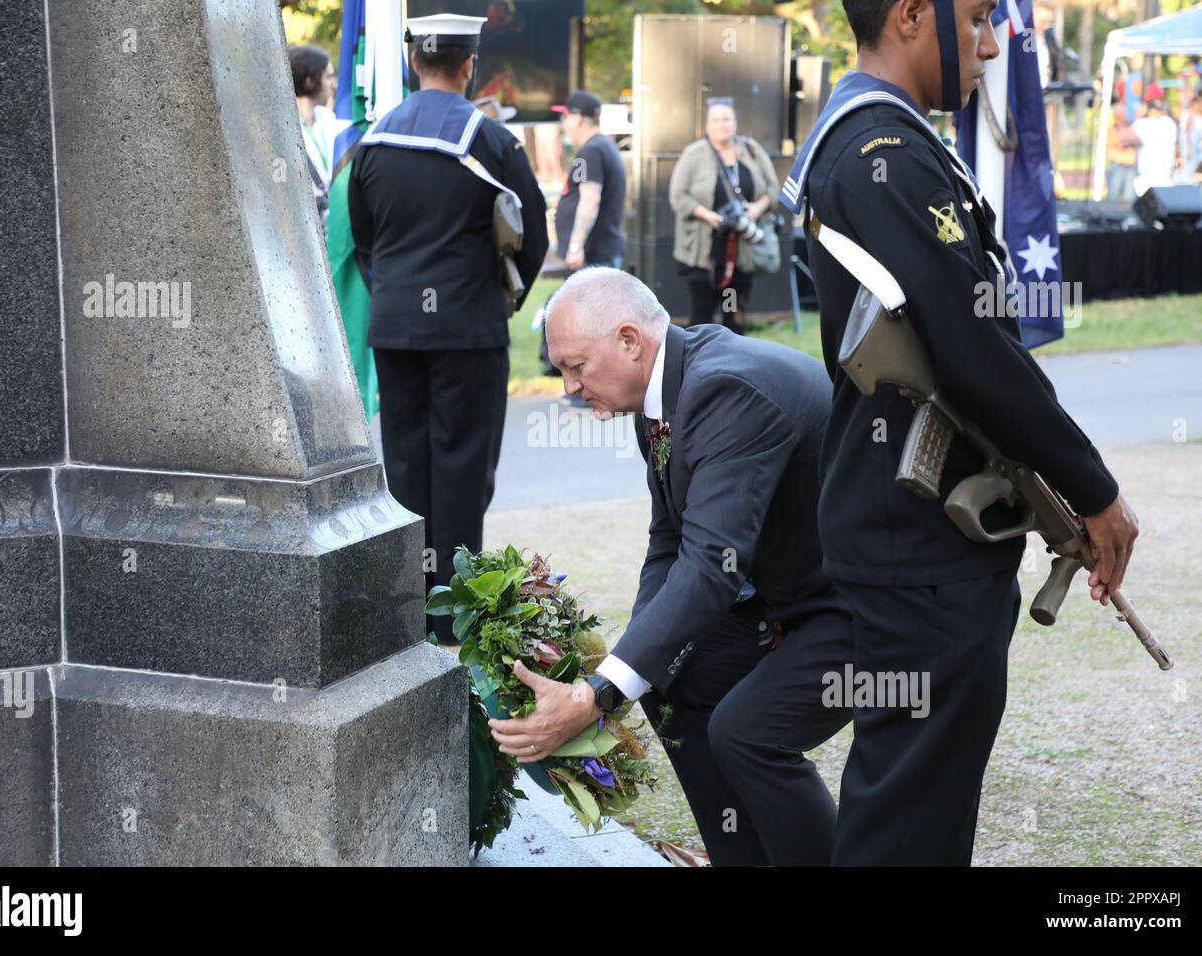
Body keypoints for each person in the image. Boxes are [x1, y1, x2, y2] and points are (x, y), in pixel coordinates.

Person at [780, 0, 1139, 865]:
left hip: (908, 524)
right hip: (917, 536)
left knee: (918, 807)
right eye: (978, 18)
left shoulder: (871, 138)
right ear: (910, 14)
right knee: (908, 817)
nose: (989, 44)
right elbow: (974, 354)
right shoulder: (886, 154)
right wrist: (1095, 491)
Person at [488, 267, 855, 866]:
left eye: (576, 367)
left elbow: (710, 568)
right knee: (669, 680)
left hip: (864, 603)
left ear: (630, 340)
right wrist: (623, 669)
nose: (570, 390)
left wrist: (594, 696)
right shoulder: (664, 390)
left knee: (747, 733)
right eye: (561, 372)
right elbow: (670, 541)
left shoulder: (722, 388)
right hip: (790, 599)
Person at [347, 13, 548, 644]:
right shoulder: (491, 142)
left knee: (406, 467)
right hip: (468, 329)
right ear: (469, 65)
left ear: (413, 63)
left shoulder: (373, 141)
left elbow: (364, 239)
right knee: (462, 471)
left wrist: (397, 297)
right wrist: (500, 300)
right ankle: (458, 622)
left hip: (397, 327)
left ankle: (409, 613)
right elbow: (533, 235)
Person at [669, 99, 780, 335]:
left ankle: (733, 365)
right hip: (704, 254)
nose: (722, 125)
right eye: (716, 120)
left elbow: (773, 190)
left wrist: (756, 208)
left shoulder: (752, 151)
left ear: (735, 123)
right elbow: (678, 197)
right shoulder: (694, 154)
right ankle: (697, 366)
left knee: (734, 315)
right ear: (707, 125)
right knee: (702, 316)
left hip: (741, 253)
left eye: (726, 119)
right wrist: (708, 216)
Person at [540, 91, 627, 377]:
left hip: (593, 254)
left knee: (589, 328)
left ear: (578, 117)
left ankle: (588, 387)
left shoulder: (591, 151)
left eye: (565, 116)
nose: (563, 122)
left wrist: (575, 246)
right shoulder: (603, 146)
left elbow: (590, 199)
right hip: (601, 251)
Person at [289, 44, 348, 229]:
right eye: (329, 77)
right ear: (309, 80)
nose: (334, 84)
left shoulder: (327, 119)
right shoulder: (286, 127)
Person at [1132, 87, 1178, 194]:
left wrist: (1139, 115)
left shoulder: (1140, 124)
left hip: (1150, 176)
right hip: (1159, 176)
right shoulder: (1169, 123)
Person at [1105, 101, 1140, 200]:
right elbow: (1117, 144)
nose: (1124, 116)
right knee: (1114, 193)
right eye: (1122, 114)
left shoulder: (1129, 127)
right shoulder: (1112, 129)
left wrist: (1128, 142)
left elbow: (1137, 140)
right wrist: (1127, 142)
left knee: (1130, 195)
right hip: (1118, 164)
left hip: (1130, 164)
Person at [1177, 97, 1202, 184]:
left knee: (1196, 181)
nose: (1201, 107)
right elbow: (1181, 137)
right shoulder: (1184, 117)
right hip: (1185, 155)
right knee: (1183, 179)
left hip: (1198, 156)